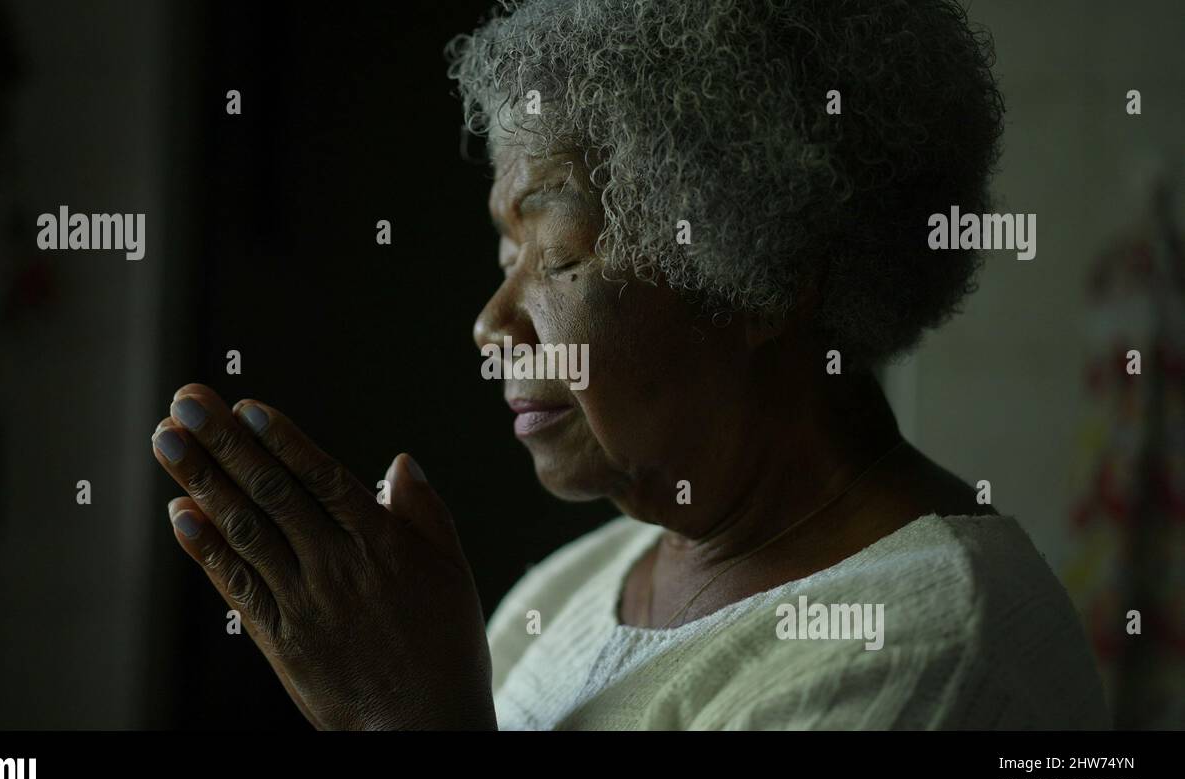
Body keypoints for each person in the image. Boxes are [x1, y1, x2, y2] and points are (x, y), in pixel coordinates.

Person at [149, 0, 1110, 729]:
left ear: (766, 273)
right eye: (503, 257)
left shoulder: (925, 646)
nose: (492, 322)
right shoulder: (580, 584)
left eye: (559, 255)